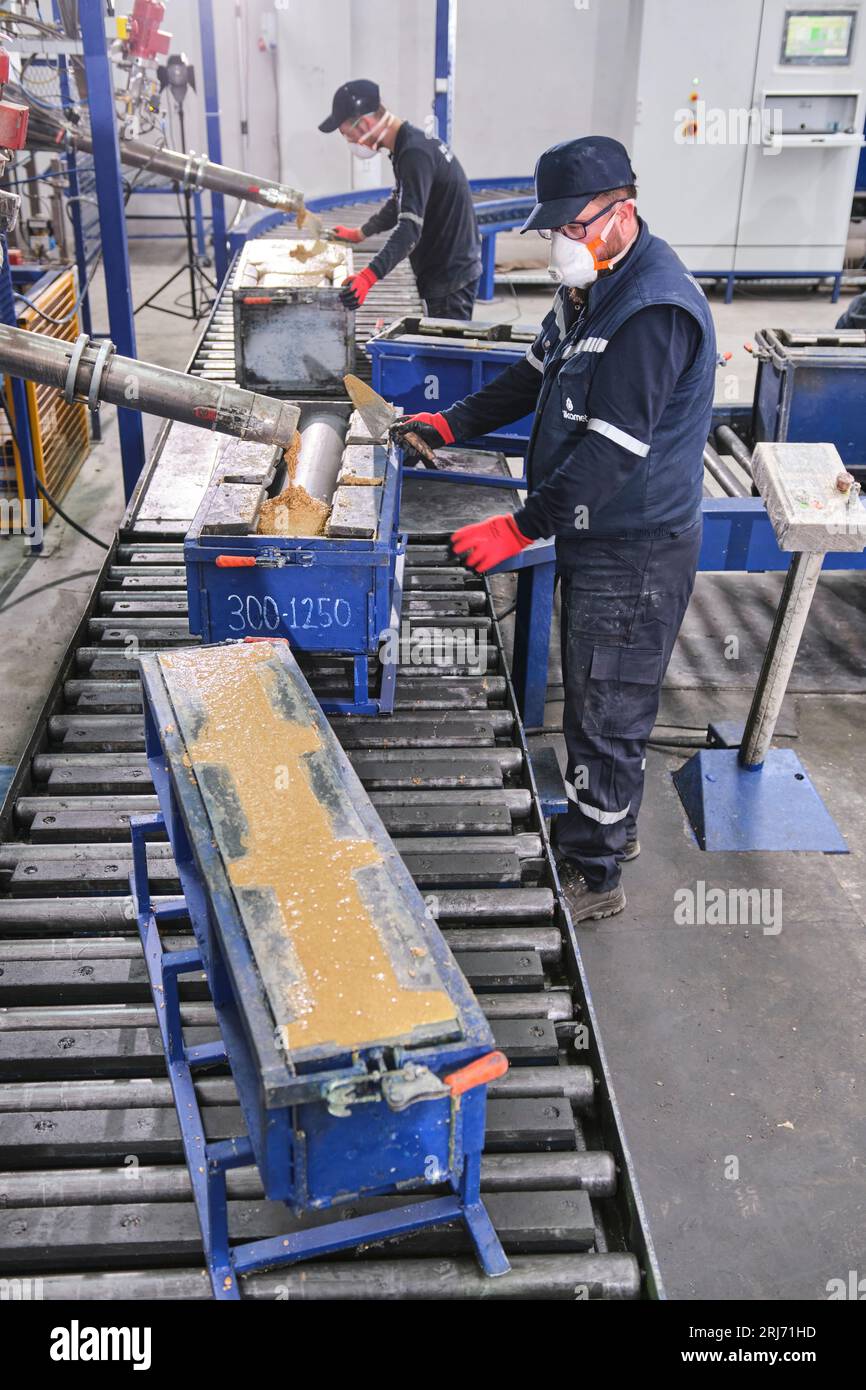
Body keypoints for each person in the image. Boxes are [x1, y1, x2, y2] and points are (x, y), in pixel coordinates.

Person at [392, 137, 717, 922]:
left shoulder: (652, 309)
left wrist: (522, 526)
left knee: (607, 706)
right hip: (594, 528)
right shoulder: (590, 292)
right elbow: (531, 376)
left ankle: (596, 875)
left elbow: (612, 451)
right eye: (555, 231)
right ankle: (610, 829)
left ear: (621, 212)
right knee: (599, 697)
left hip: (634, 543)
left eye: (574, 227)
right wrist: (449, 422)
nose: (562, 244)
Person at [318, 79, 482, 320]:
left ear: (363, 123)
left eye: (346, 134)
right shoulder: (408, 144)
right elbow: (400, 201)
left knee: (446, 352)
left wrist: (367, 277)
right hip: (446, 265)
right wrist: (360, 233)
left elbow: (409, 229)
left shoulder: (414, 153)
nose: (350, 142)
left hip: (449, 277)